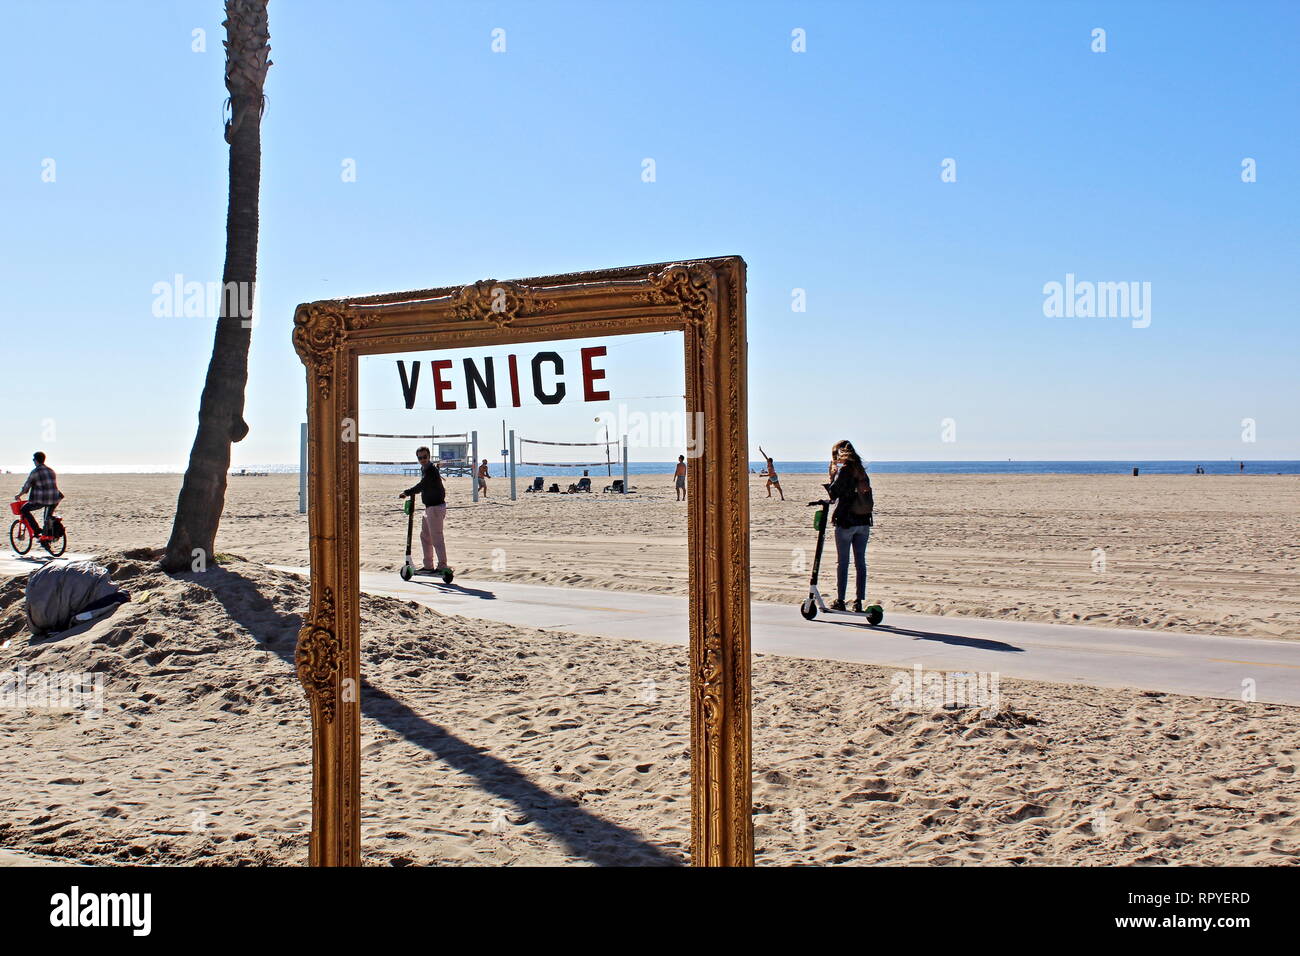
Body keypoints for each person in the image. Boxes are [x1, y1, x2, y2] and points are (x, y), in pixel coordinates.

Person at [825, 440, 873, 612]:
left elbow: (834, 492)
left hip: (847, 522)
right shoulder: (861, 470)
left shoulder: (845, 470)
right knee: (860, 562)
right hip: (864, 521)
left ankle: (840, 600)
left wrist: (832, 475)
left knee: (843, 562)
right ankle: (859, 601)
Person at [398, 446, 450, 573]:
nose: (422, 459)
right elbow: (424, 486)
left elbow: (423, 485)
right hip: (429, 508)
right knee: (425, 536)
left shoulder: (431, 470)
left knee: (437, 537)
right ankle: (428, 565)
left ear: (429, 457)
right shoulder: (424, 468)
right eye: (420, 457)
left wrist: (407, 492)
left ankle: (442, 566)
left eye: (425, 457)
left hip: (436, 507)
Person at [14, 451, 63, 541]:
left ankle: (36, 530)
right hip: (55, 498)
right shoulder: (51, 470)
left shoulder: (35, 472)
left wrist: (19, 495)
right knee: (47, 518)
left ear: (36, 460)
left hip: (42, 499)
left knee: (24, 509)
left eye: (33, 459)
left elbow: (26, 487)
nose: (33, 461)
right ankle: (46, 536)